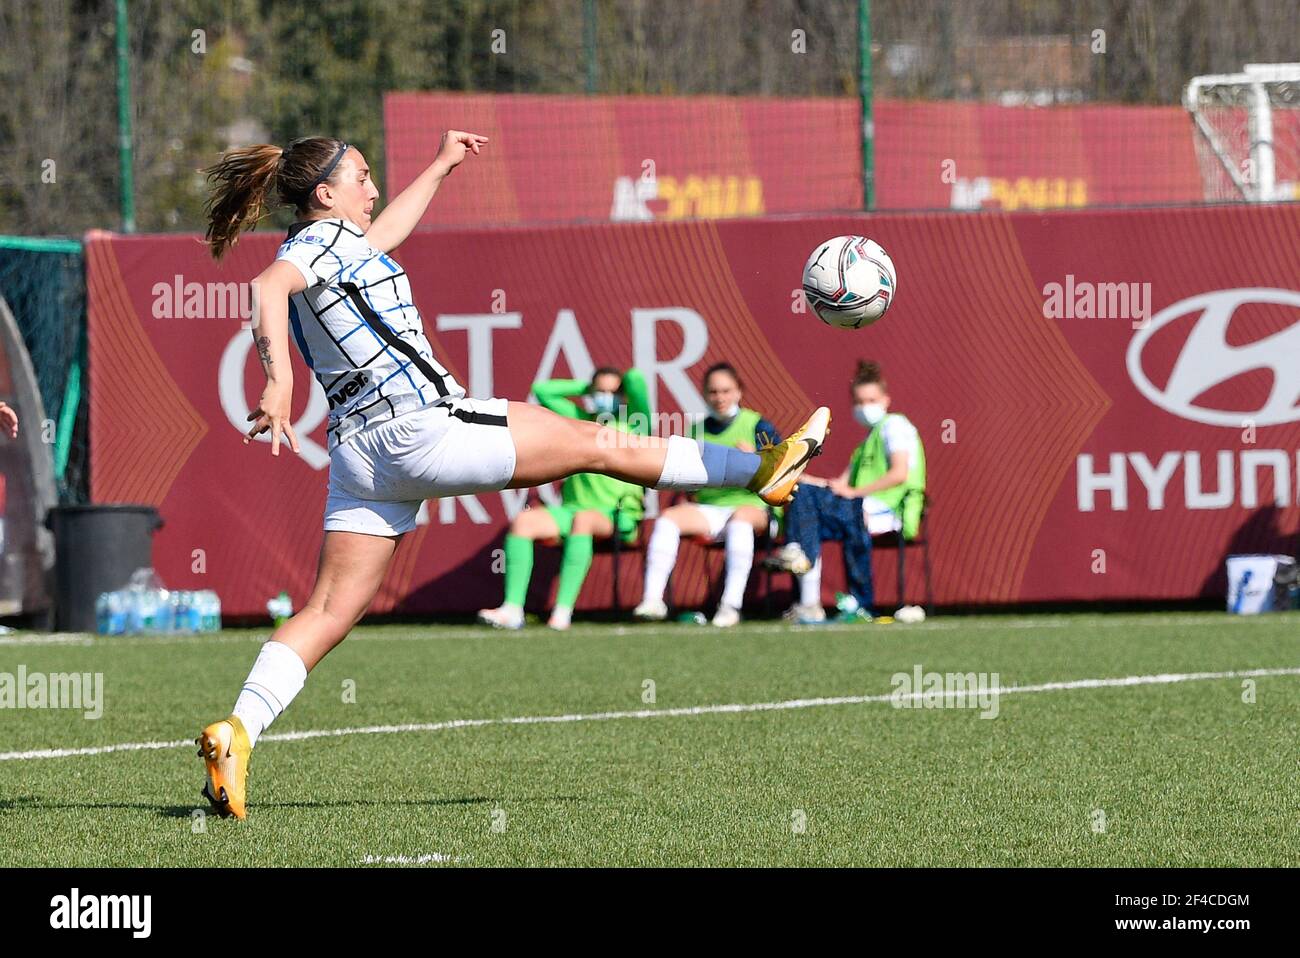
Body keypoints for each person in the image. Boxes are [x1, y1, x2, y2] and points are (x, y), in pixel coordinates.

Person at [193, 130, 830, 818]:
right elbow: (266, 286)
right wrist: (278, 379)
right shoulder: (316, 247)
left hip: (360, 456)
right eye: (363, 178)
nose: (373, 190)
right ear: (325, 194)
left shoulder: (336, 245)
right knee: (599, 442)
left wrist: (439, 166)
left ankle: (237, 734)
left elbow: (384, 231)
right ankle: (761, 469)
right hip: (420, 425)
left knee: (326, 612)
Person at [478, 366, 650, 631]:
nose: (606, 397)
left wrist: (618, 389)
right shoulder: (581, 421)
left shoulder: (636, 422)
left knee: (583, 520)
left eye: (612, 392)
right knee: (524, 522)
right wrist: (586, 387)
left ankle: (562, 612)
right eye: (600, 392)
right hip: (571, 511)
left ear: (624, 395)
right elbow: (542, 391)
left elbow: (637, 380)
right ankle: (512, 609)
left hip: (619, 516)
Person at [768, 359, 924, 624]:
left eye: (871, 400)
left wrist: (857, 492)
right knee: (803, 496)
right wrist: (802, 478)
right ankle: (809, 603)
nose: (866, 407)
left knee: (831, 509)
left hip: (890, 509)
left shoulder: (895, 426)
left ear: (886, 400)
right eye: (860, 402)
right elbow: (840, 487)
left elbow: (900, 473)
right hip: (860, 505)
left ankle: (853, 597)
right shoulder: (864, 444)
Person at [633, 363, 779, 627]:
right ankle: (653, 600)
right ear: (704, 394)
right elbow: (688, 483)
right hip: (710, 508)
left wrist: (755, 461)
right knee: (667, 519)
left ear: (738, 392)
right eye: (713, 392)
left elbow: (781, 471)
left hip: (752, 507)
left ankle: (730, 606)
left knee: (740, 520)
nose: (720, 397)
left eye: (726, 390)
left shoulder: (758, 425)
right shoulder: (696, 430)